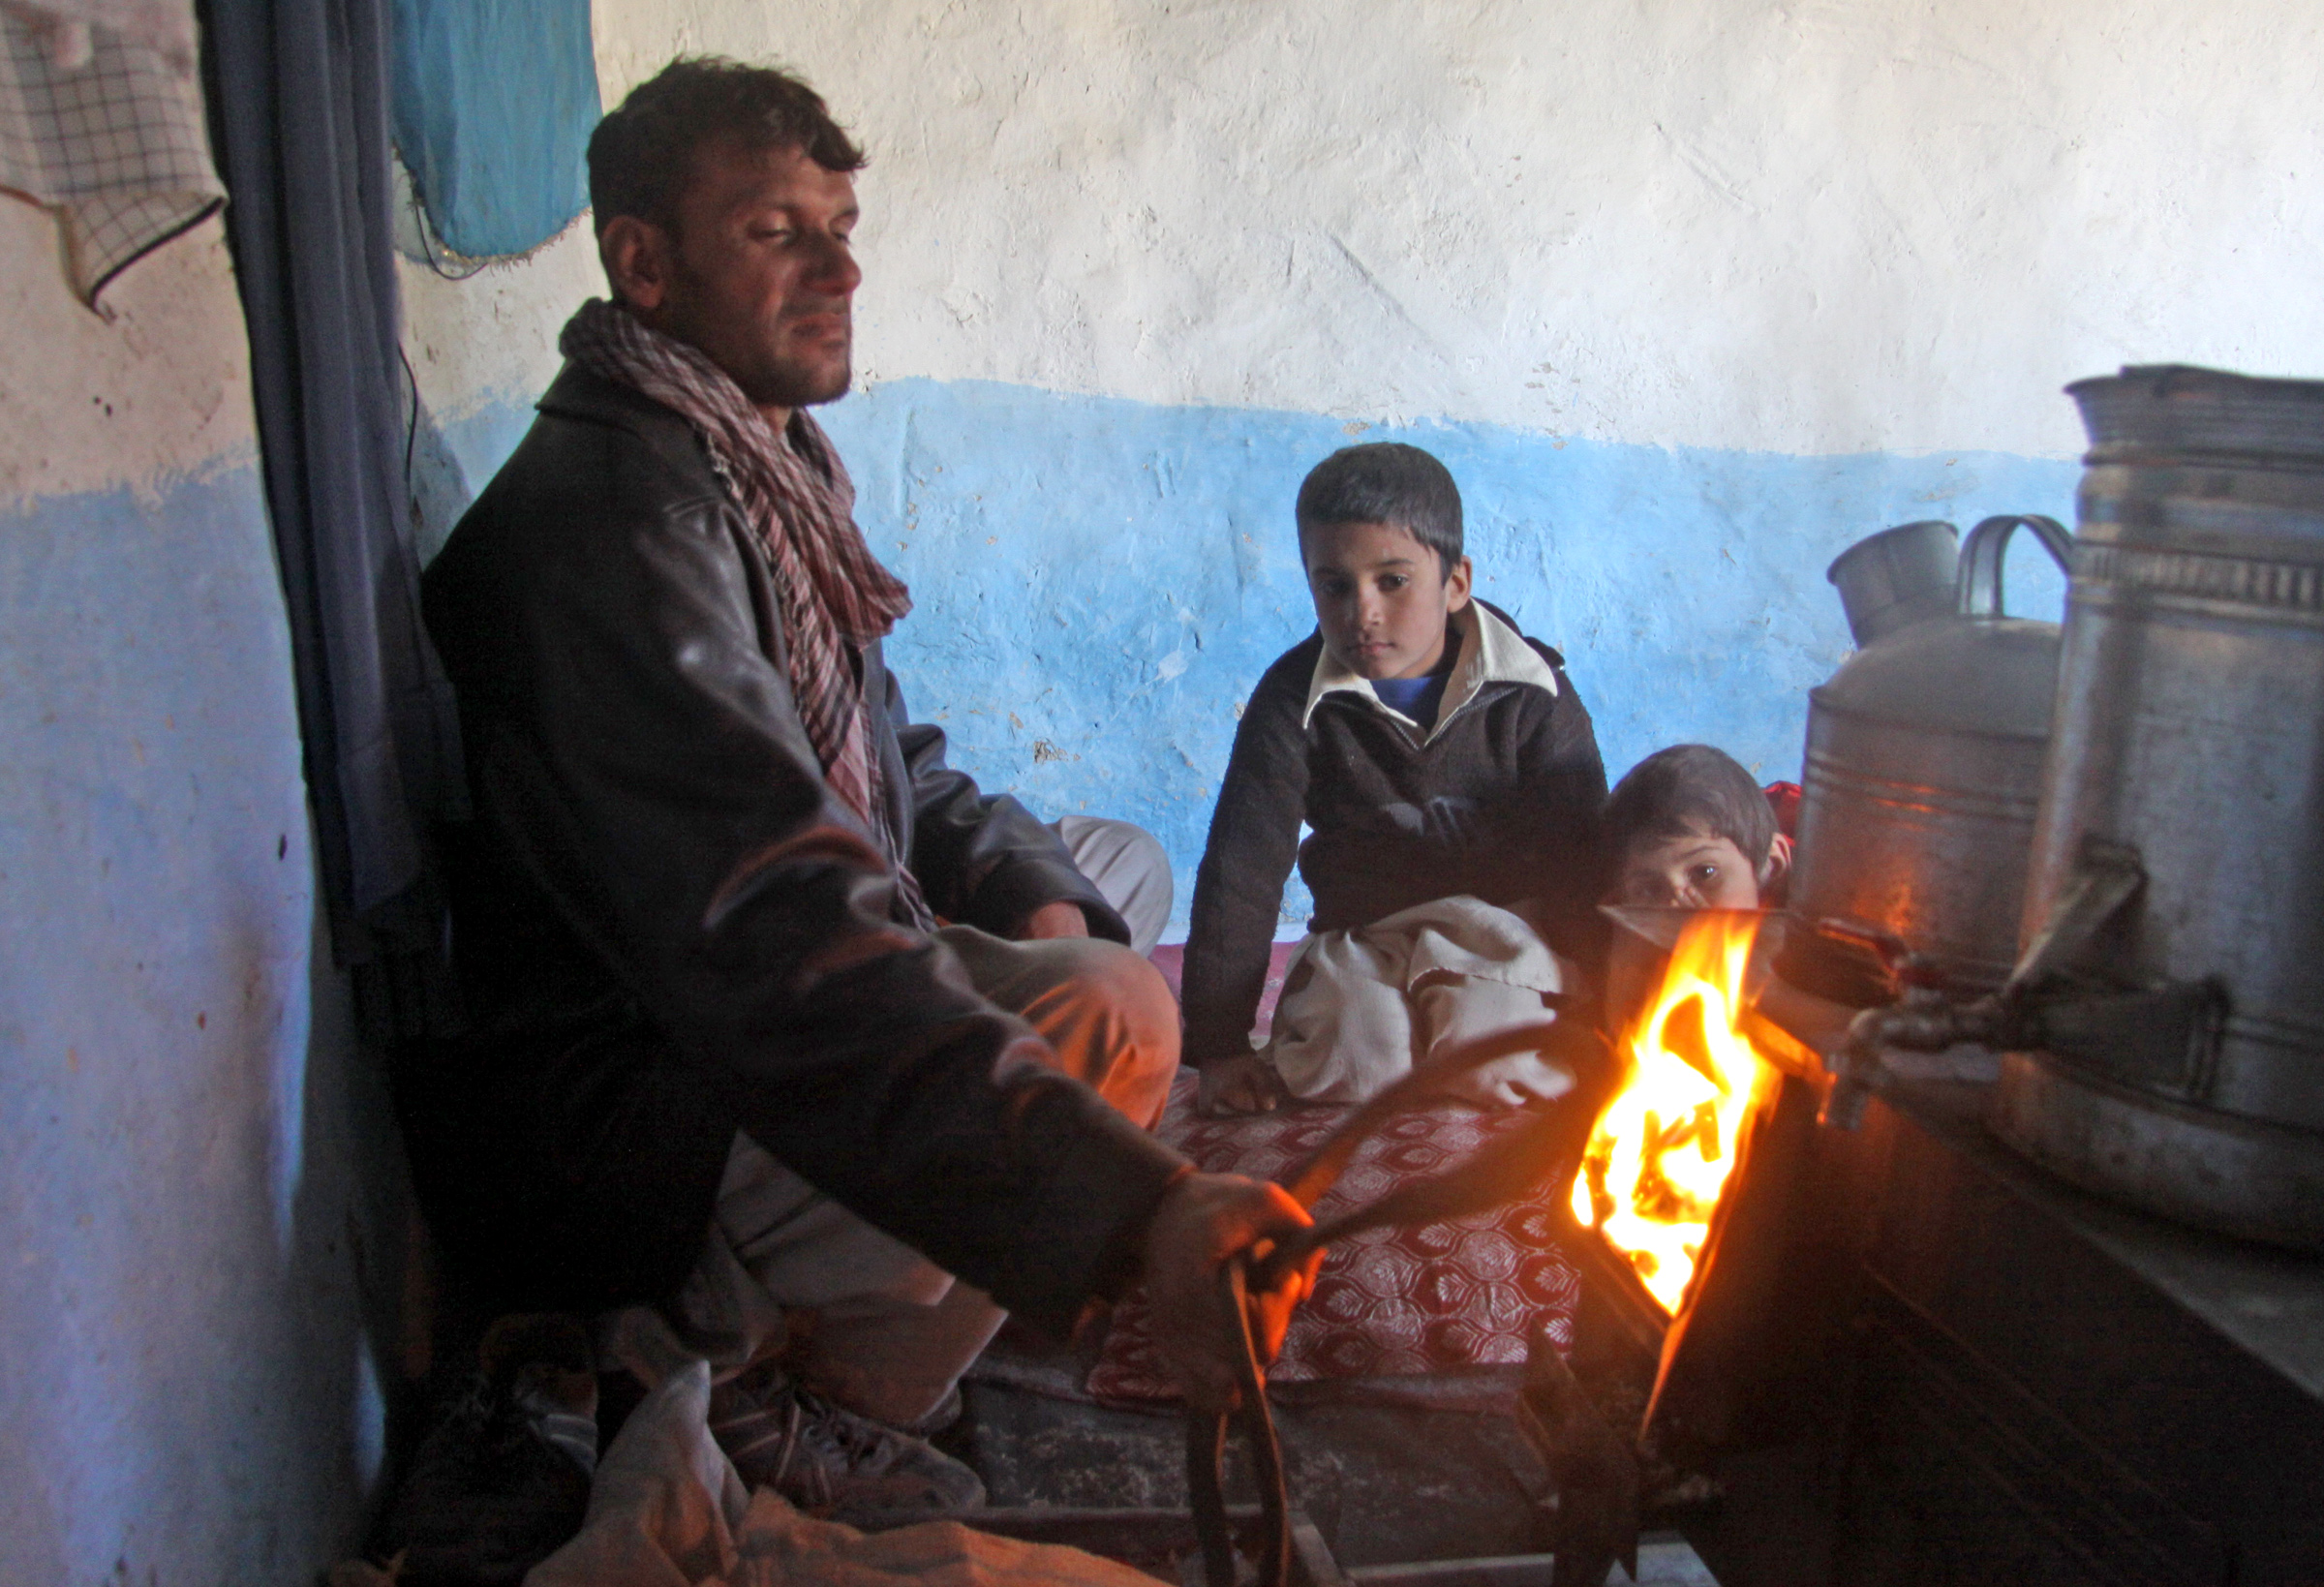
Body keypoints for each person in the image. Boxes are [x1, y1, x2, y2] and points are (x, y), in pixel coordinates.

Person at [403, 56, 1312, 1522]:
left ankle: (842, 1339)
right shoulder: (629, 530)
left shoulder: (744, 459)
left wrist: (1026, 883)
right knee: (1104, 1033)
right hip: (625, 1100)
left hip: (725, 997)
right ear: (644, 263)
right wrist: (1134, 1204)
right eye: (778, 231)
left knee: (1099, 943)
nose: (843, 265)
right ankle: (737, 1380)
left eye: (841, 224)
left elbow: (891, 751)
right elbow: (781, 929)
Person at [1178, 443, 1607, 1114]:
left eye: (1393, 581)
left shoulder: (1531, 691)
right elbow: (1243, 867)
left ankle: (1455, 1037)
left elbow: (1583, 851)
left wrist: (1602, 998)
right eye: (1335, 585)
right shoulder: (1294, 700)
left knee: (1495, 1050)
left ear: (1456, 581)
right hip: (1363, 934)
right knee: (1352, 1057)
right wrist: (1220, 1044)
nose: (1363, 612)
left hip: (1496, 932)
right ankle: (1397, 1038)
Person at [1601, 744, 1793, 912]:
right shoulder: (1619, 927)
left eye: (1705, 873)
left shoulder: (1816, 932)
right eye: (1649, 890)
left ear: (1772, 866)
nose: (1675, 906)